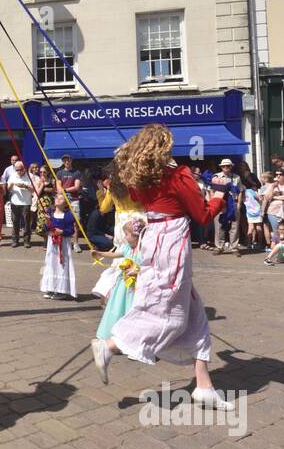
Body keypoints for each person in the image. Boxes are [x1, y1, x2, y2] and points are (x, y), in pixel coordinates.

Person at [90, 124, 228, 409]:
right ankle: (110, 346)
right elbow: (201, 215)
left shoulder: (138, 179)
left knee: (194, 313)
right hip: (171, 244)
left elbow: (146, 203)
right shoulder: (179, 175)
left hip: (154, 237)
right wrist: (218, 196)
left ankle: (204, 386)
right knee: (169, 313)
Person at [92, 217, 146, 338]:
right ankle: (115, 334)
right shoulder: (127, 248)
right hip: (123, 285)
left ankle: (131, 337)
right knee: (117, 308)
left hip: (137, 287)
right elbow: (114, 254)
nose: (125, 237)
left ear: (136, 236)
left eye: (127, 234)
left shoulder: (144, 251)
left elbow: (148, 268)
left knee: (132, 309)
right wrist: (100, 253)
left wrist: (137, 271)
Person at [40, 192, 76, 299]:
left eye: (61, 199)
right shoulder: (50, 213)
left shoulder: (68, 215)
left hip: (63, 243)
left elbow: (71, 231)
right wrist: (47, 221)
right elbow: (45, 229)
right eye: (57, 198)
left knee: (62, 264)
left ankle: (61, 291)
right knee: (51, 264)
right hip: (52, 242)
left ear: (65, 202)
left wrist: (62, 232)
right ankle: (51, 288)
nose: (57, 200)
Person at [210, 158, 243, 255]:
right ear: (221, 167)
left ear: (231, 166)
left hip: (233, 203)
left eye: (228, 166)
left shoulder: (237, 177)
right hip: (220, 203)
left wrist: (239, 204)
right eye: (224, 166)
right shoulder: (216, 176)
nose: (226, 168)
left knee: (234, 226)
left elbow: (240, 191)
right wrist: (213, 202)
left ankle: (234, 247)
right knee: (219, 225)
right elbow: (212, 190)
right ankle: (219, 247)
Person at [8, 159, 34, 248]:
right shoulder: (13, 175)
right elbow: (8, 188)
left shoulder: (30, 176)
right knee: (15, 222)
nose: (18, 171)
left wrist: (25, 186)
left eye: (20, 169)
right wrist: (10, 186)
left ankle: (26, 241)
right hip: (15, 202)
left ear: (24, 168)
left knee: (26, 222)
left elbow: (34, 190)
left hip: (26, 202)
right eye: (17, 170)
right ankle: (15, 240)